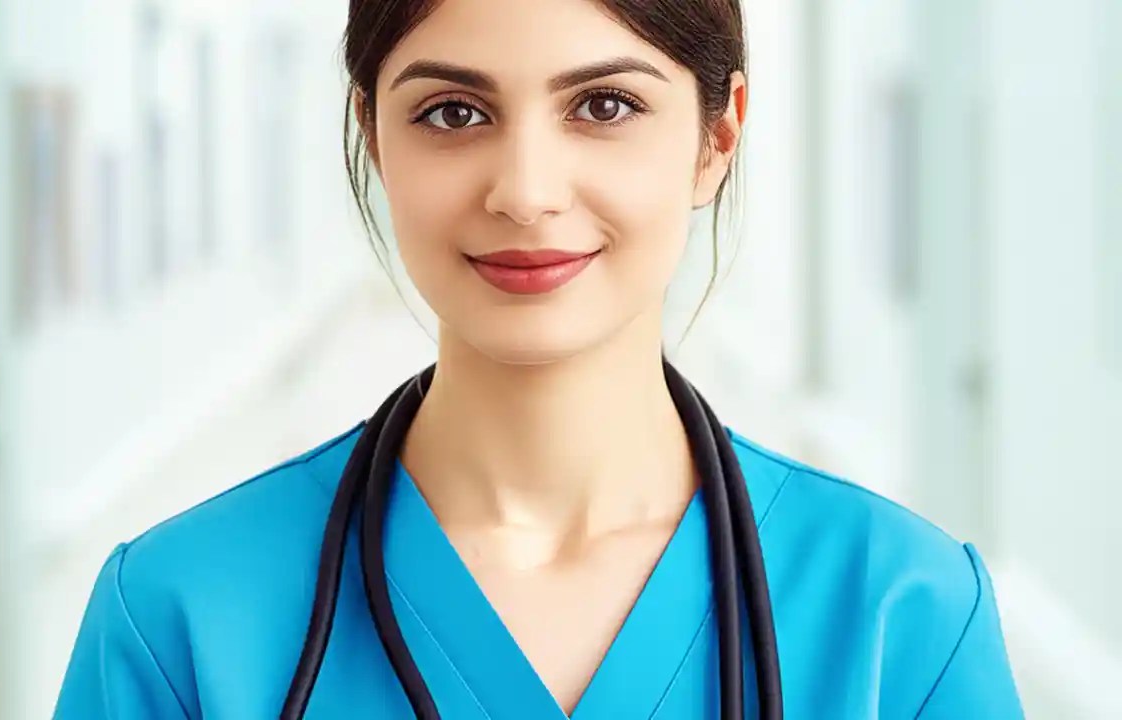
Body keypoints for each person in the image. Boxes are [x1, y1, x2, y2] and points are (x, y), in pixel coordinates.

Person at [53, 0, 1025, 717]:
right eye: (452, 113)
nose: (523, 192)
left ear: (715, 135)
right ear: (375, 139)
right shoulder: (180, 618)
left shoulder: (903, 618)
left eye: (602, 106)